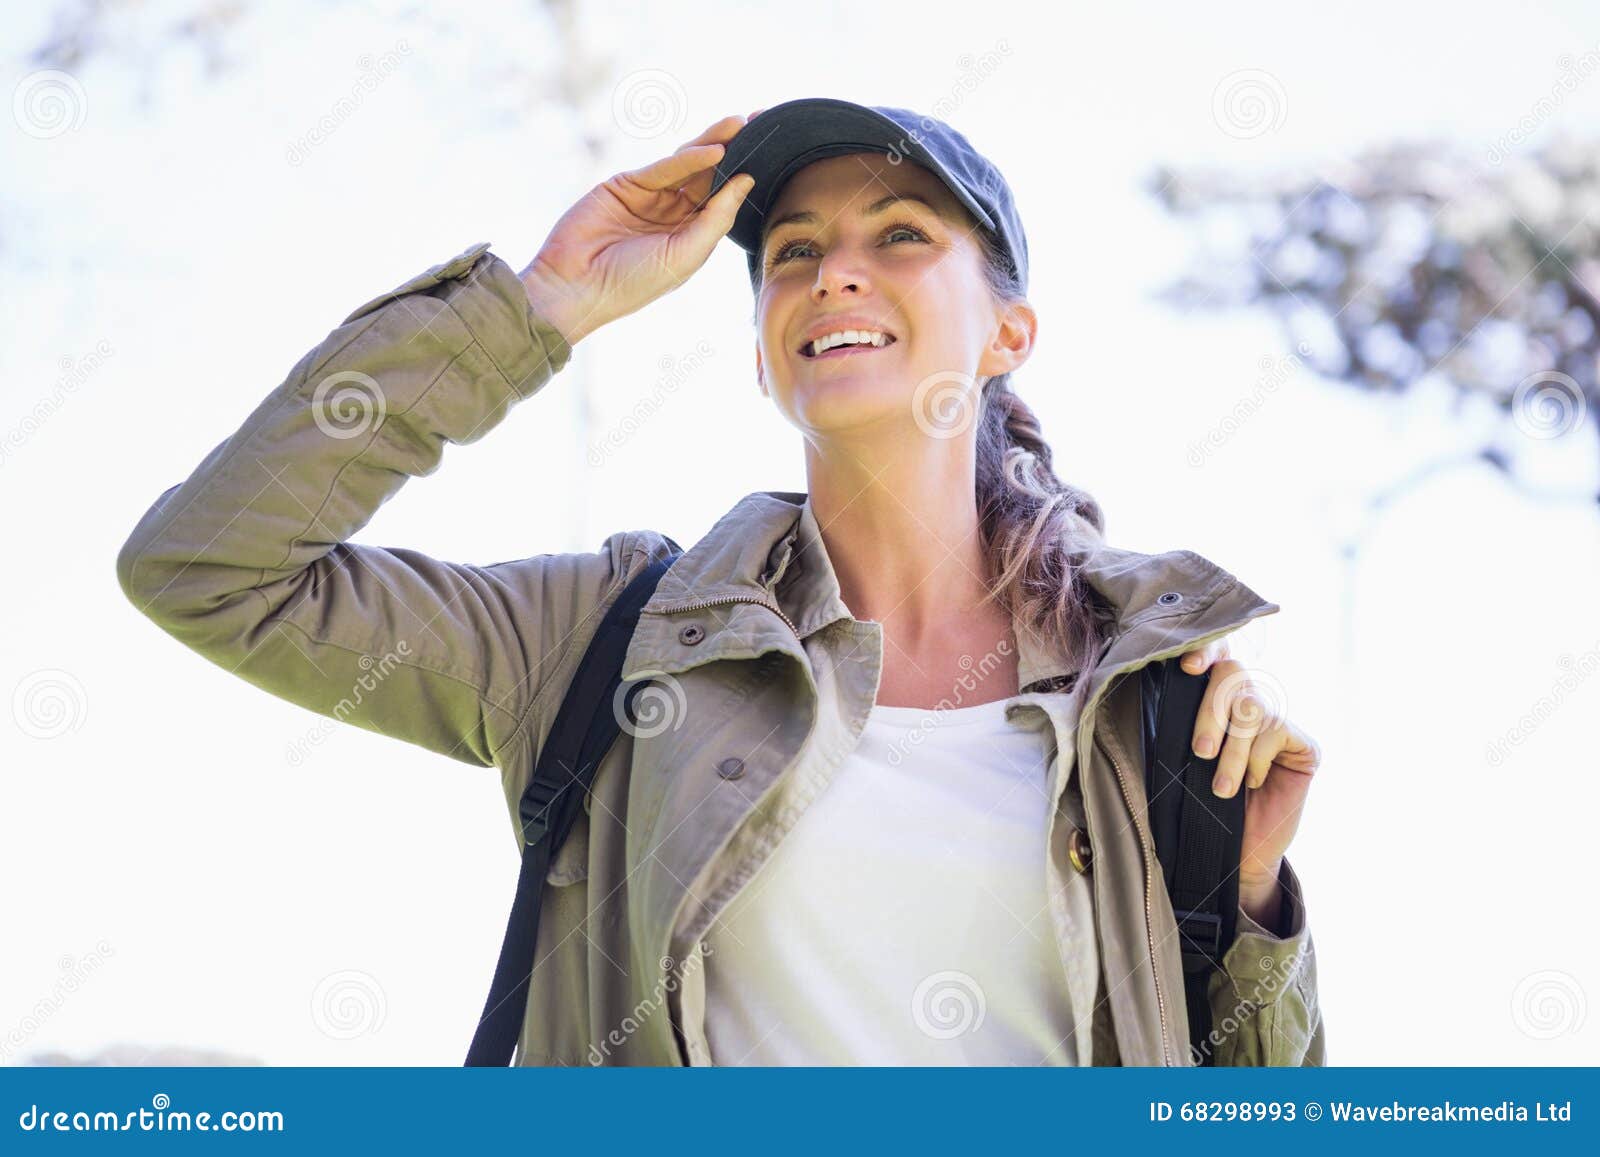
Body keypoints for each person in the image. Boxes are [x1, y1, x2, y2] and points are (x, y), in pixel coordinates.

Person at [117, 98, 1325, 1067]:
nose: (835, 273)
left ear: (1007, 335)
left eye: (899, 233)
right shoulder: (604, 637)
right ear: (762, 353)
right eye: (794, 252)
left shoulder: (1155, 700)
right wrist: (535, 307)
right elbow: (209, 568)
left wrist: (1254, 890)